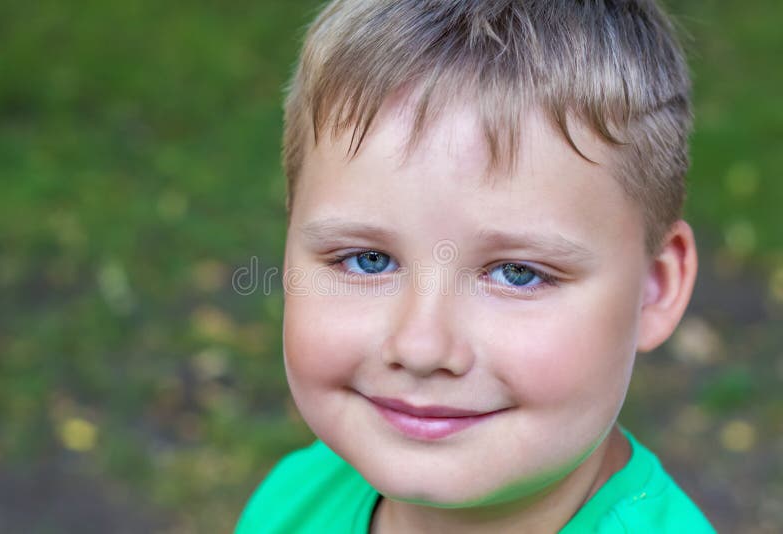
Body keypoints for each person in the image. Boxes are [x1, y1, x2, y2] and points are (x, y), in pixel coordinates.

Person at [236, 0, 715, 532]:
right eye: (368, 260)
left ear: (655, 287)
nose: (421, 348)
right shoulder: (292, 501)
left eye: (517, 273)